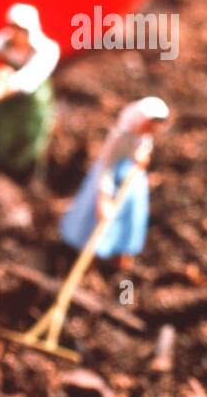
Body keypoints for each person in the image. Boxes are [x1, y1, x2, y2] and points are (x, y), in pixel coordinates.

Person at [59, 96, 169, 269]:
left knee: (129, 216)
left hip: (131, 180)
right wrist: (104, 197)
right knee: (95, 219)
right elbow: (106, 166)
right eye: (150, 125)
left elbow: (144, 148)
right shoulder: (120, 135)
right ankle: (89, 254)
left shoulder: (146, 135)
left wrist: (141, 158)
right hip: (109, 180)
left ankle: (120, 251)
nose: (151, 130)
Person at [0, 2, 60, 179]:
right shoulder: (4, 40)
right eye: (13, 28)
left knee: (23, 141)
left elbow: (28, 81)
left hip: (30, 106)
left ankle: (11, 178)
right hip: (3, 104)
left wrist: (1, 90)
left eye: (21, 30)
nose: (17, 34)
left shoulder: (47, 50)